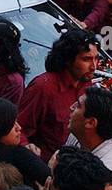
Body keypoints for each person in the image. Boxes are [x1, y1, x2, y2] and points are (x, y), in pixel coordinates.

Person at [16, 28, 99, 158]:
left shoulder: (87, 84)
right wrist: (27, 148)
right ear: (68, 60)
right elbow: (18, 129)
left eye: (96, 59)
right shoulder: (43, 88)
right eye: (87, 59)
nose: (94, 66)